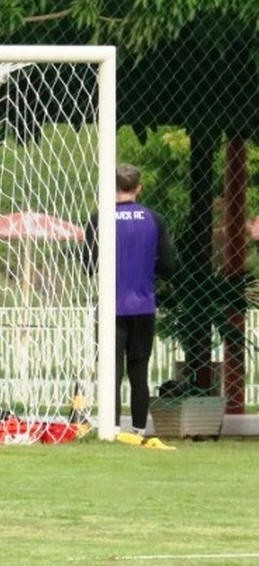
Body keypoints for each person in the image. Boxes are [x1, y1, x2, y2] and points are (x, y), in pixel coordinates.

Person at [83, 163, 179, 449]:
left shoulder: (100, 218)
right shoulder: (155, 219)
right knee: (139, 370)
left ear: (111, 187)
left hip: (112, 305)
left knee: (111, 369)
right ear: (139, 188)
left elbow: (88, 264)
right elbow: (170, 265)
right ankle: (138, 430)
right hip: (143, 304)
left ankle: (111, 427)